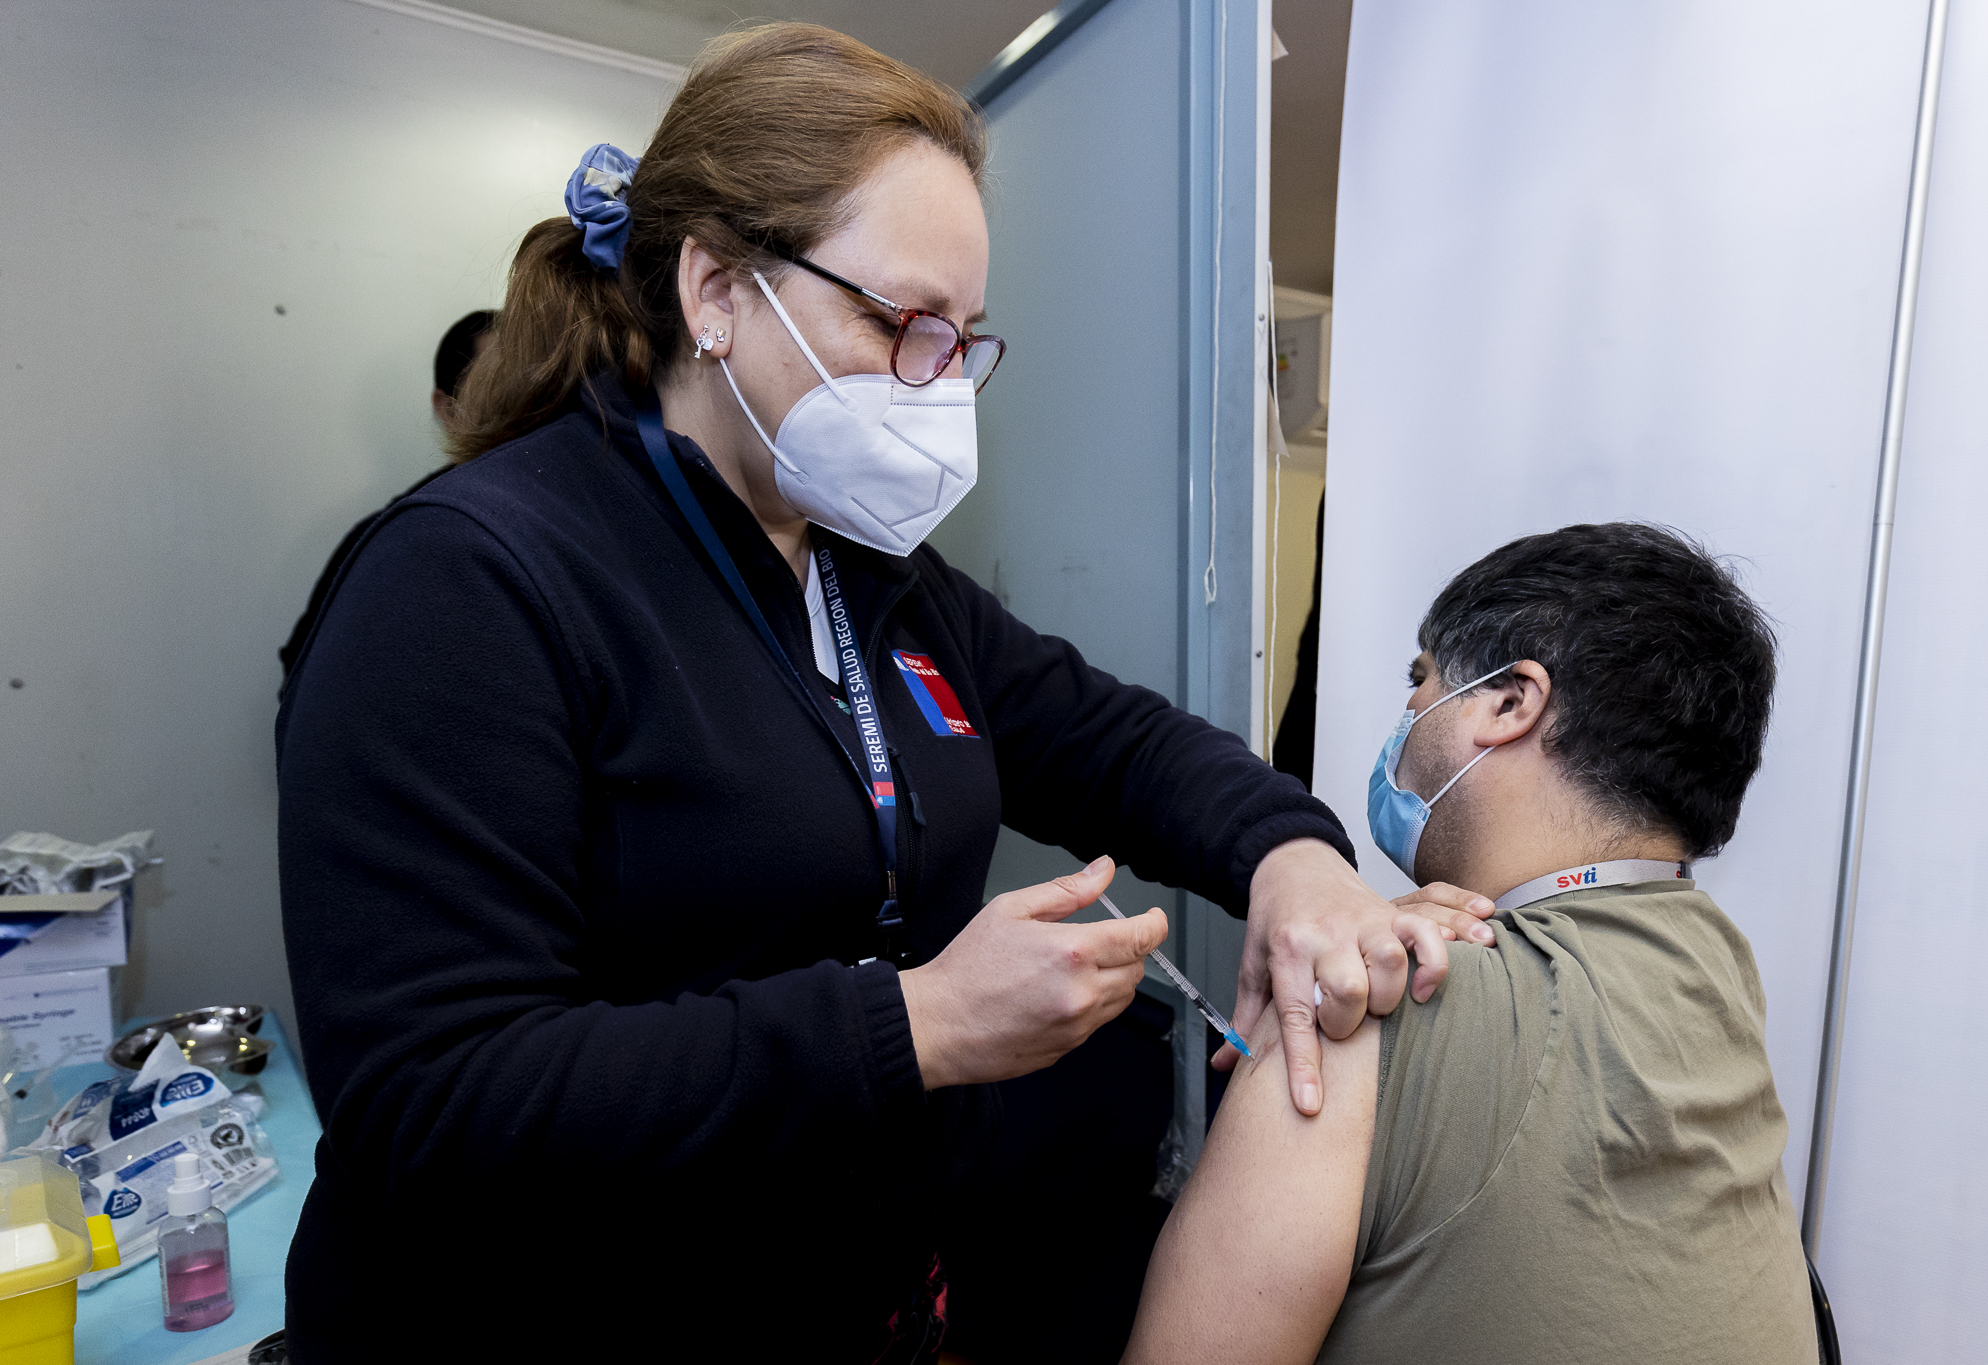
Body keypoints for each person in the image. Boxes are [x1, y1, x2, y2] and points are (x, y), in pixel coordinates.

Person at [273, 25, 1490, 1362]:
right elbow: (435, 1103)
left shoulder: (871, 576)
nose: (940, 385)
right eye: (899, 324)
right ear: (718, 289)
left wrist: (1291, 857)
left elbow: (1108, 742)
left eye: (963, 340)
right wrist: (919, 1023)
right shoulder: (476, 580)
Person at [1127, 522, 1816, 1365]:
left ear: (1509, 702)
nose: (1407, 714)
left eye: (1421, 680)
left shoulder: (1379, 1004)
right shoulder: (1717, 966)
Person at [275, 308, 494, 677]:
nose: (532, 407)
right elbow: (304, 673)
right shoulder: (392, 538)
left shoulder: (583, 517)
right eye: (501, 386)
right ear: (448, 410)